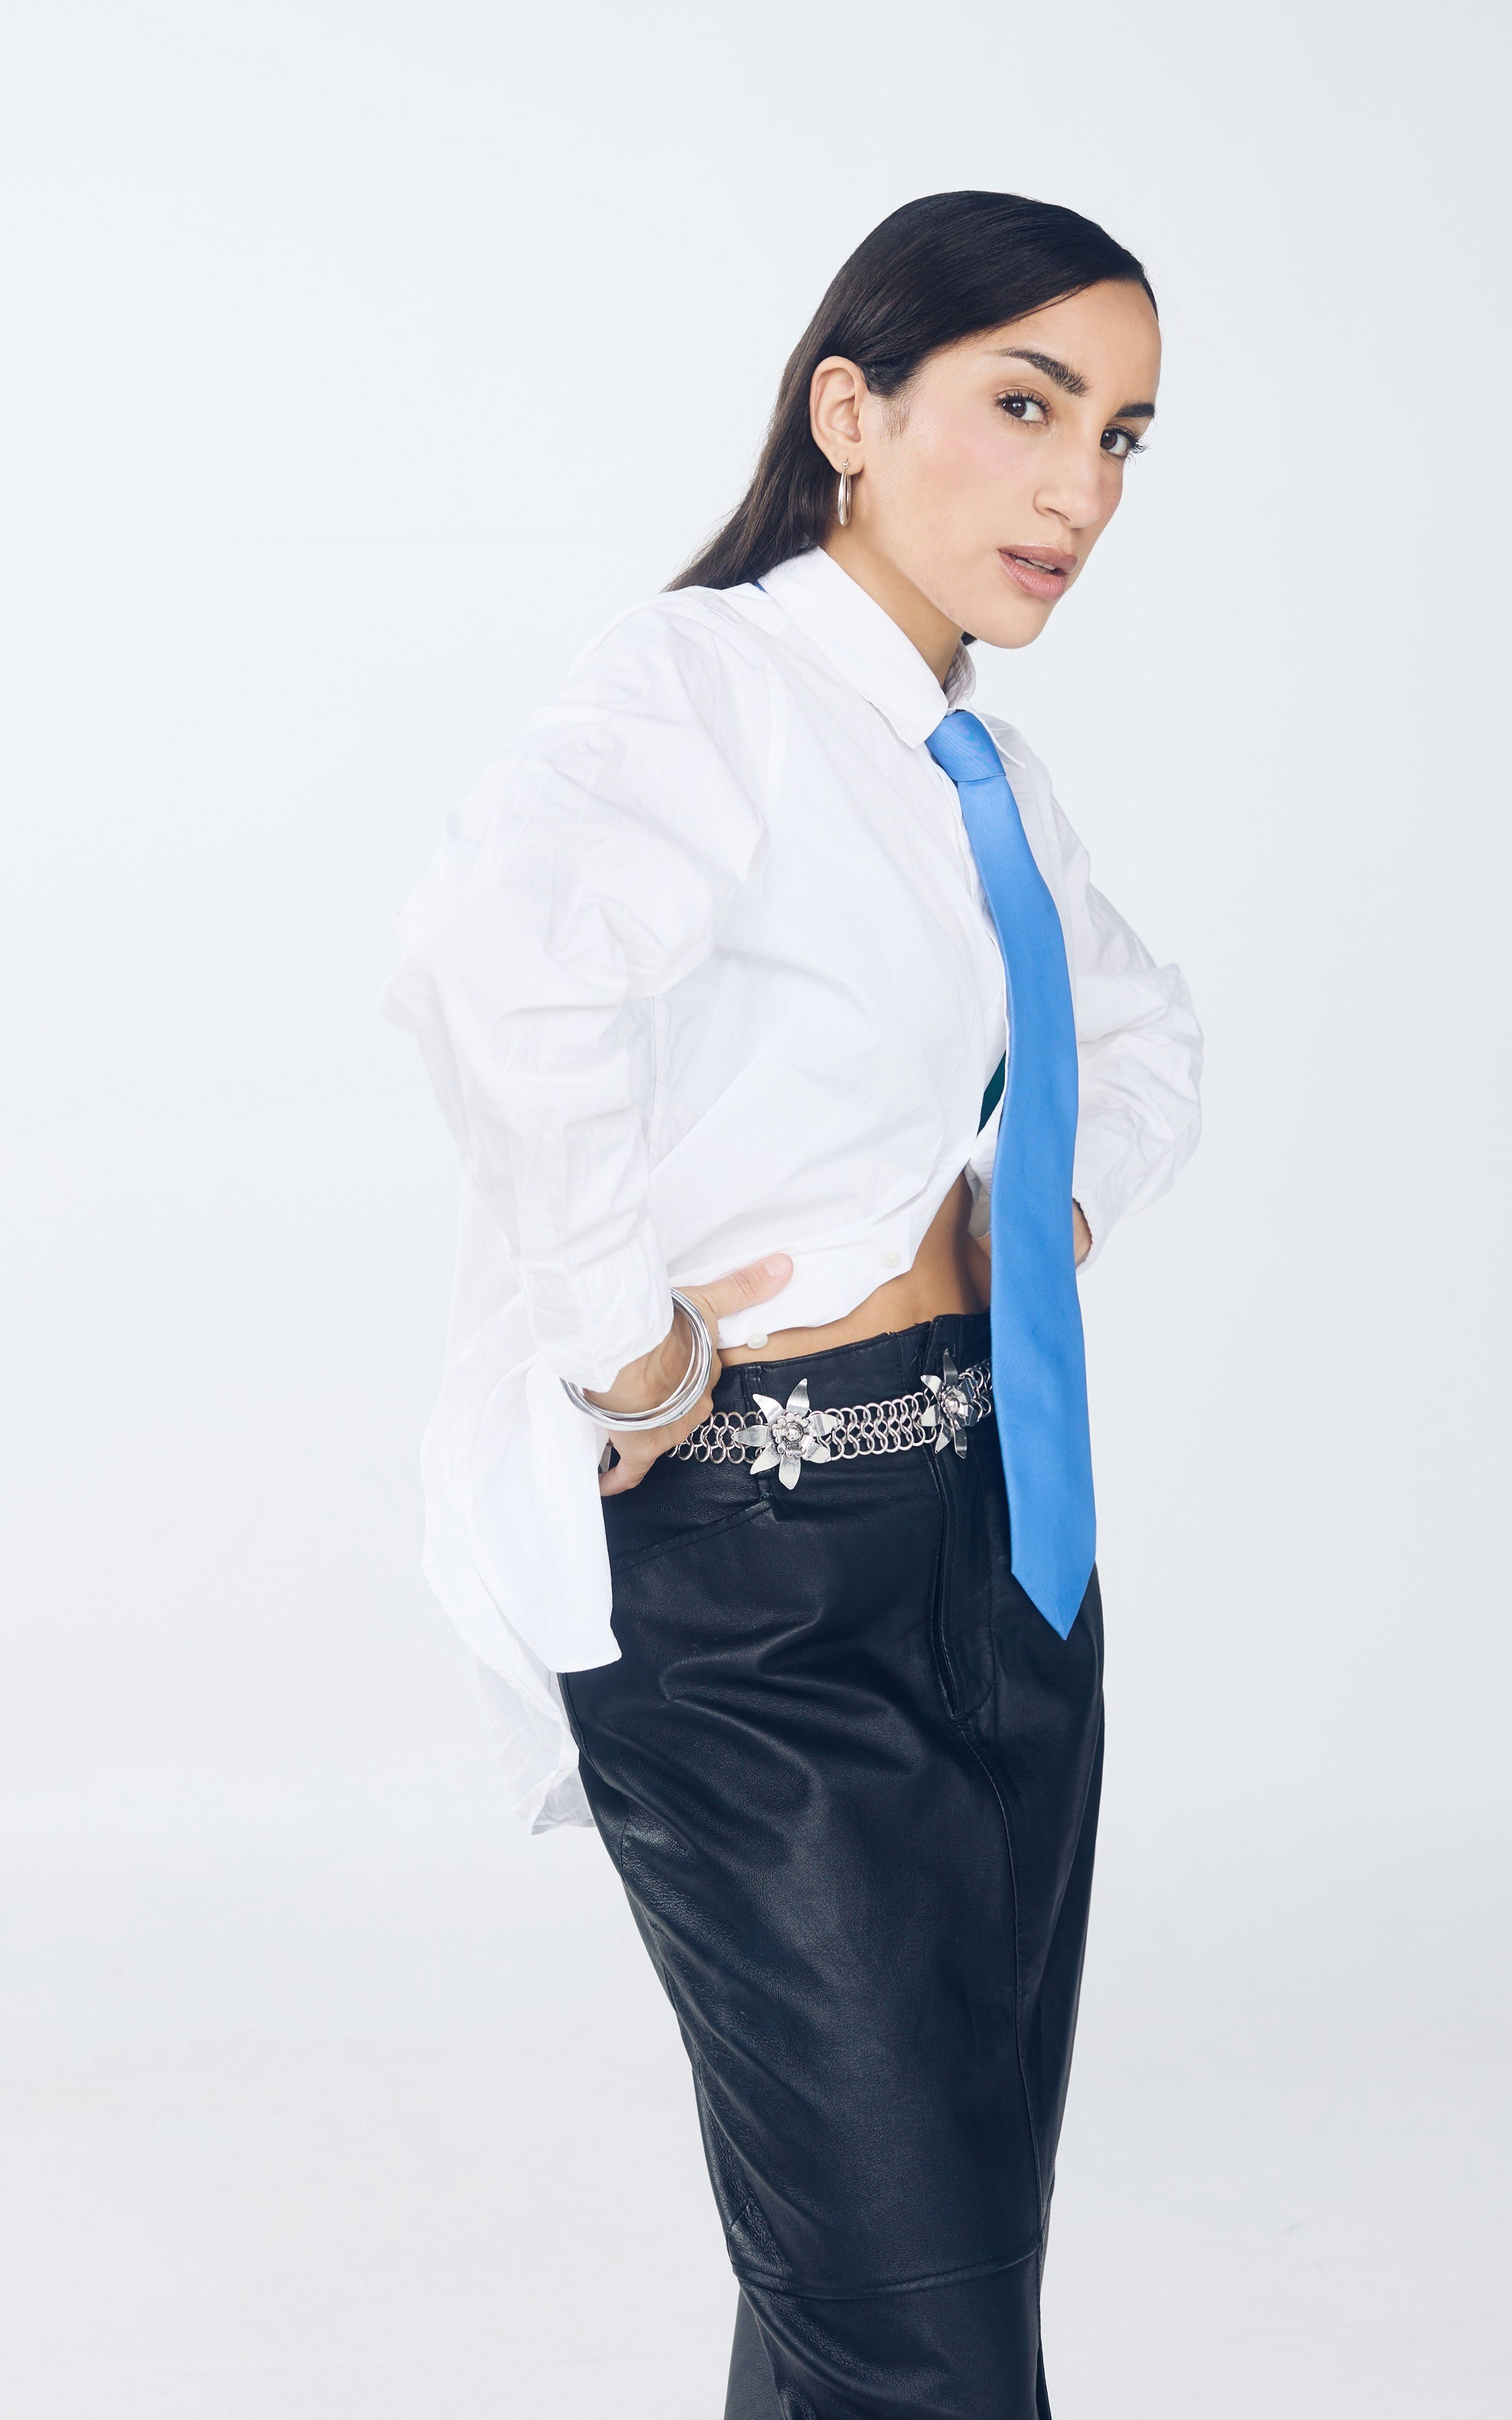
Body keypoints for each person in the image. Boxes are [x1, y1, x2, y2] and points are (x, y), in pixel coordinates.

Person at [381, 191, 1203, 2419]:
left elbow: (1137, 1044)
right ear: (850, 410)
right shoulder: (704, 686)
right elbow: (496, 963)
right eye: (1024, 406)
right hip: (753, 1586)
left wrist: (1020, 1230)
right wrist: (620, 1336)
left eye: (1124, 437)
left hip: (1007, 1554)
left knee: (912, 2275)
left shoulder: (983, 774)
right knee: (908, 2329)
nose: (1075, 489)